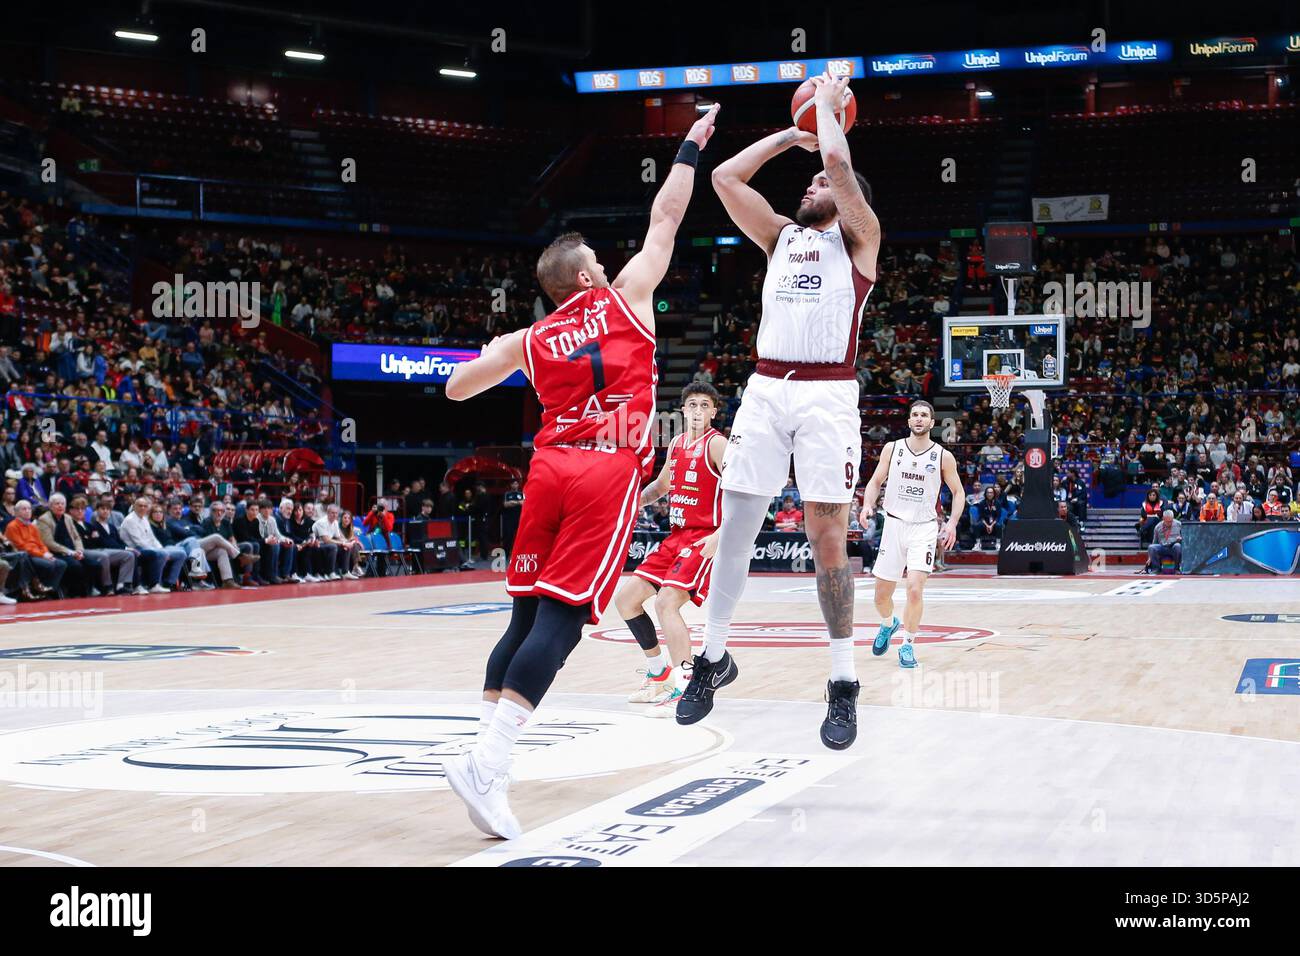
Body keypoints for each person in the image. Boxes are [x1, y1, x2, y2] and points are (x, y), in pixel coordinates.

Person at [439, 103, 719, 839]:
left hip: (547, 469)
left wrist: (502, 349)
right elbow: (667, 215)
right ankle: (488, 763)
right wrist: (690, 144)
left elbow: (456, 389)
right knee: (562, 623)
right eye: (596, 257)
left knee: (524, 615)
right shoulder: (628, 296)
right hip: (605, 471)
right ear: (590, 274)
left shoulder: (530, 338)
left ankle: (483, 759)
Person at [690, 73, 880, 749]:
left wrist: (827, 113)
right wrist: (790, 135)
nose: (811, 184)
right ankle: (712, 658)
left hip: (828, 395)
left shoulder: (861, 241)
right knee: (737, 526)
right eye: (809, 181)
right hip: (767, 389)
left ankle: (843, 681)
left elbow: (839, 167)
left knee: (827, 536)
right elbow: (724, 179)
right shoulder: (779, 237)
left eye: (819, 184)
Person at [614, 383, 725, 714]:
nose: (697, 410)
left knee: (666, 603)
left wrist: (722, 534)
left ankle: (686, 683)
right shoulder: (677, 444)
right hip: (675, 537)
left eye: (704, 405)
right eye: (692, 405)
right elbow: (662, 486)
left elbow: (741, 492)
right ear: (683, 411)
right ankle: (658, 673)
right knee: (625, 600)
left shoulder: (717, 444)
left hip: (703, 536)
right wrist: (633, 502)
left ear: (714, 411)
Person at [860, 401, 964, 669]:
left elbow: (958, 492)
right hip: (893, 525)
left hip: (924, 527)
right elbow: (875, 481)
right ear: (908, 421)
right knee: (881, 597)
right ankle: (888, 624)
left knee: (915, 590)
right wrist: (868, 504)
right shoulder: (892, 449)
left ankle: (907, 644)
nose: (919, 419)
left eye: (924, 415)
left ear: (932, 422)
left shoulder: (942, 456)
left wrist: (952, 522)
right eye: (915, 415)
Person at [119, 496, 185, 592]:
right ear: (134, 507)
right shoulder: (130, 520)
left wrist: (160, 548)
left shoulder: (144, 519)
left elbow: (152, 538)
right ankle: (154, 585)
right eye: (140, 506)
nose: (143, 508)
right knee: (161, 554)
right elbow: (138, 542)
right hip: (135, 549)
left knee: (181, 554)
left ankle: (170, 583)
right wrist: (158, 551)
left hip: (148, 548)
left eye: (145, 506)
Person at [4, 500, 68, 595]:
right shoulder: (12, 526)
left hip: (38, 554)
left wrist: (46, 553)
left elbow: (41, 543)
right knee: (49, 565)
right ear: (16, 512)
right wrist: (42, 555)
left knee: (62, 564)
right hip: (26, 557)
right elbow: (22, 547)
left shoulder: (32, 526)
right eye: (24, 509)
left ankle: (50, 590)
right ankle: (40, 588)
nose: (27, 511)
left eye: (29, 509)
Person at [1144, 510, 1183, 574]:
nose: (1169, 523)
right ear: (1163, 519)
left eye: (1171, 521)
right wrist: (1150, 557)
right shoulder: (1158, 527)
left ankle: (1177, 569)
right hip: (1162, 547)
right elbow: (1155, 542)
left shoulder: (1179, 524)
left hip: (1173, 547)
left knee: (1177, 546)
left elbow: (1185, 539)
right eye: (1167, 522)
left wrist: (1181, 539)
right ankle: (1156, 569)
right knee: (1151, 547)